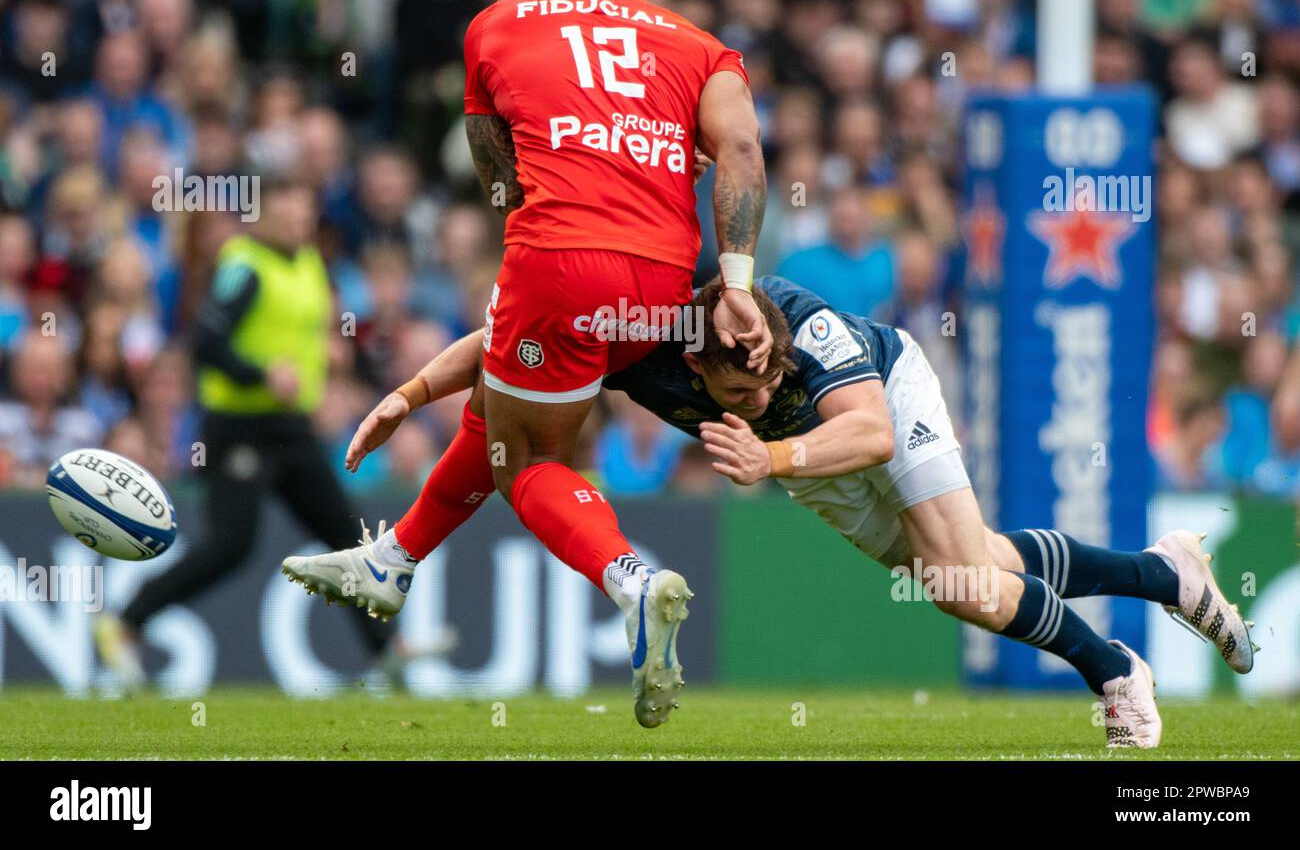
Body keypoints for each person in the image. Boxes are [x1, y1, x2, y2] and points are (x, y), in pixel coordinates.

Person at [300, 276, 1257, 747]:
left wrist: (770, 449)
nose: (757, 381)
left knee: (963, 580)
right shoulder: (645, 346)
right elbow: (512, 342)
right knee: (965, 568)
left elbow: (872, 431)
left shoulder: (805, 335)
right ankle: (1164, 573)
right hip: (801, 455)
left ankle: (1114, 668)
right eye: (738, 379)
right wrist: (415, 393)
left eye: (765, 371)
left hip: (883, 399)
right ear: (693, 363)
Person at [285, 0, 771, 729]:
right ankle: (395, 559)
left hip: (558, 258)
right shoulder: (698, 43)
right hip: (661, 284)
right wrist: (737, 283)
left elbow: (493, 163)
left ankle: (631, 580)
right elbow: (746, 155)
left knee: (527, 460)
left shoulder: (495, 23)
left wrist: (538, 218)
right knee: (505, 416)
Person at [94, 181, 407, 689]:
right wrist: (262, 375)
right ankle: (125, 621)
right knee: (231, 547)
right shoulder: (244, 266)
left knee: (345, 539)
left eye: (302, 213)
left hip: (292, 428)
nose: (294, 223)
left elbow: (306, 330)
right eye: (284, 213)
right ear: (262, 216)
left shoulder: (309, 263)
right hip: (240, 428)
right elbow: (206, 342)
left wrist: (330, 350)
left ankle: (386, 653)